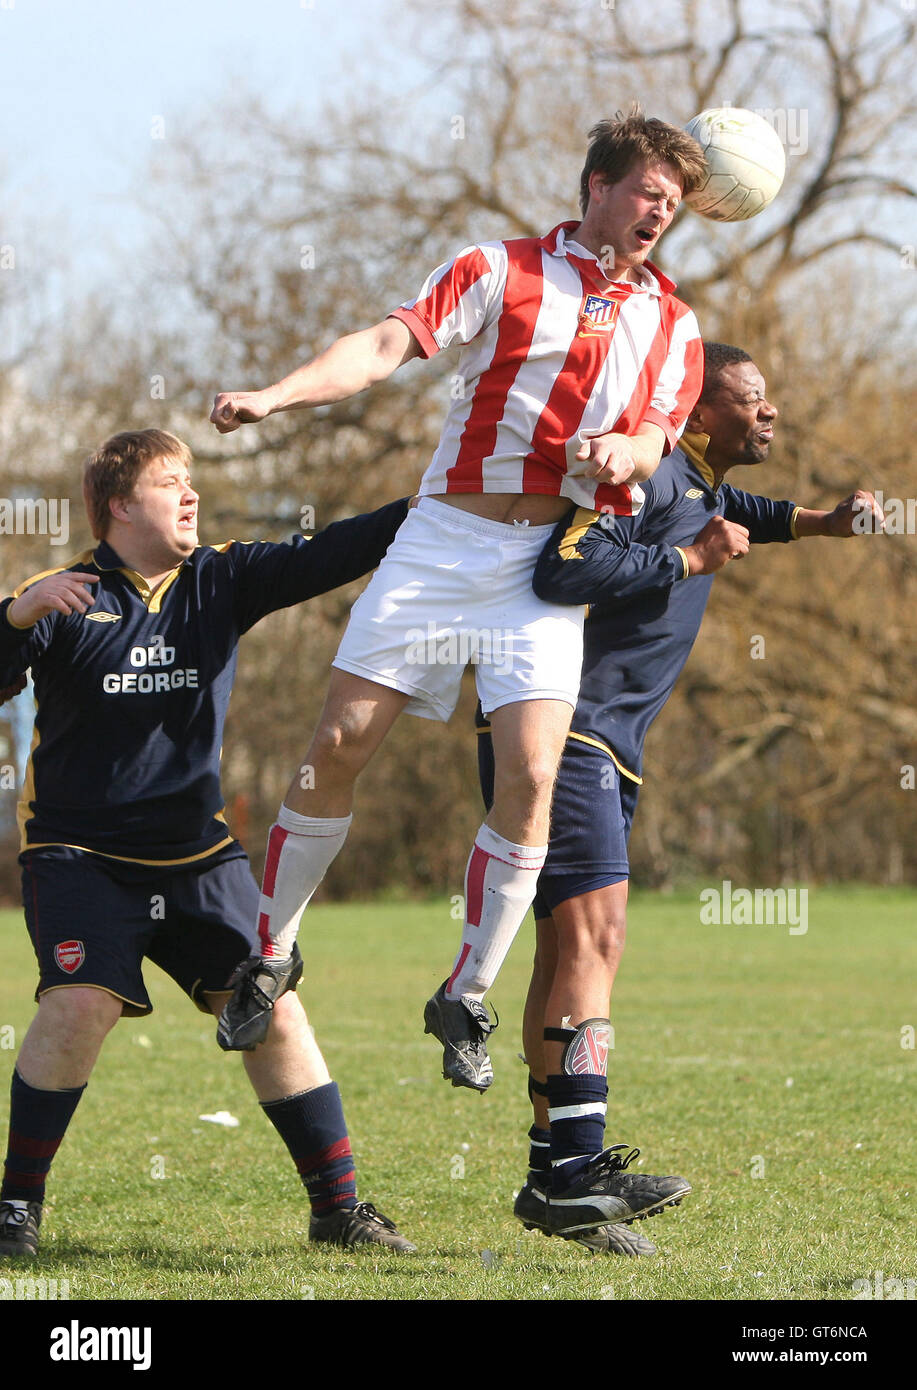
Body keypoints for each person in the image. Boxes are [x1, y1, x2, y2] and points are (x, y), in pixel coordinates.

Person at [209, 115, 709, 1232]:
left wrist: (618, 456)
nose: (655, 213)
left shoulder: (674, 324)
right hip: (442, 542)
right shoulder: (499, 268)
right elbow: (384, 346)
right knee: (338, 743)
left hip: (541, 566)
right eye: (641, 193)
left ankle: (464, 991)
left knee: (529, 777)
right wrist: (276, 397)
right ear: (593, 188)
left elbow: (655, 443)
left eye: (670, 203)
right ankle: (269, 952)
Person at [473, 343, 882, 1254]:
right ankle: (576, 1168)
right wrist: (692, 564)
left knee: (567, 945)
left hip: (591, 743)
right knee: (596, 939)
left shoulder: (694, 483)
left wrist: (824, 522)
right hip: (566, 733)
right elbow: (563, 569)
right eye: (752, 398)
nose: (770, 413)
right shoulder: (654, 482)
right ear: (698, 414)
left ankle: (553, 1176)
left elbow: (749, 513)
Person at [0, 428, 415, 1257]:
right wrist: (14, 618)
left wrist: (442, 500)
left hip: (197, 856)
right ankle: (15, 1209)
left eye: (191, 479)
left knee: (271, 1010)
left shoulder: (220, 579)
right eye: (169, 481)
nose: (190, 493)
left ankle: (339, 1210)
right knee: (80, 1004)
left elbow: (333, 550)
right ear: (120, 505)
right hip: (78, 855)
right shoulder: (61, 594)